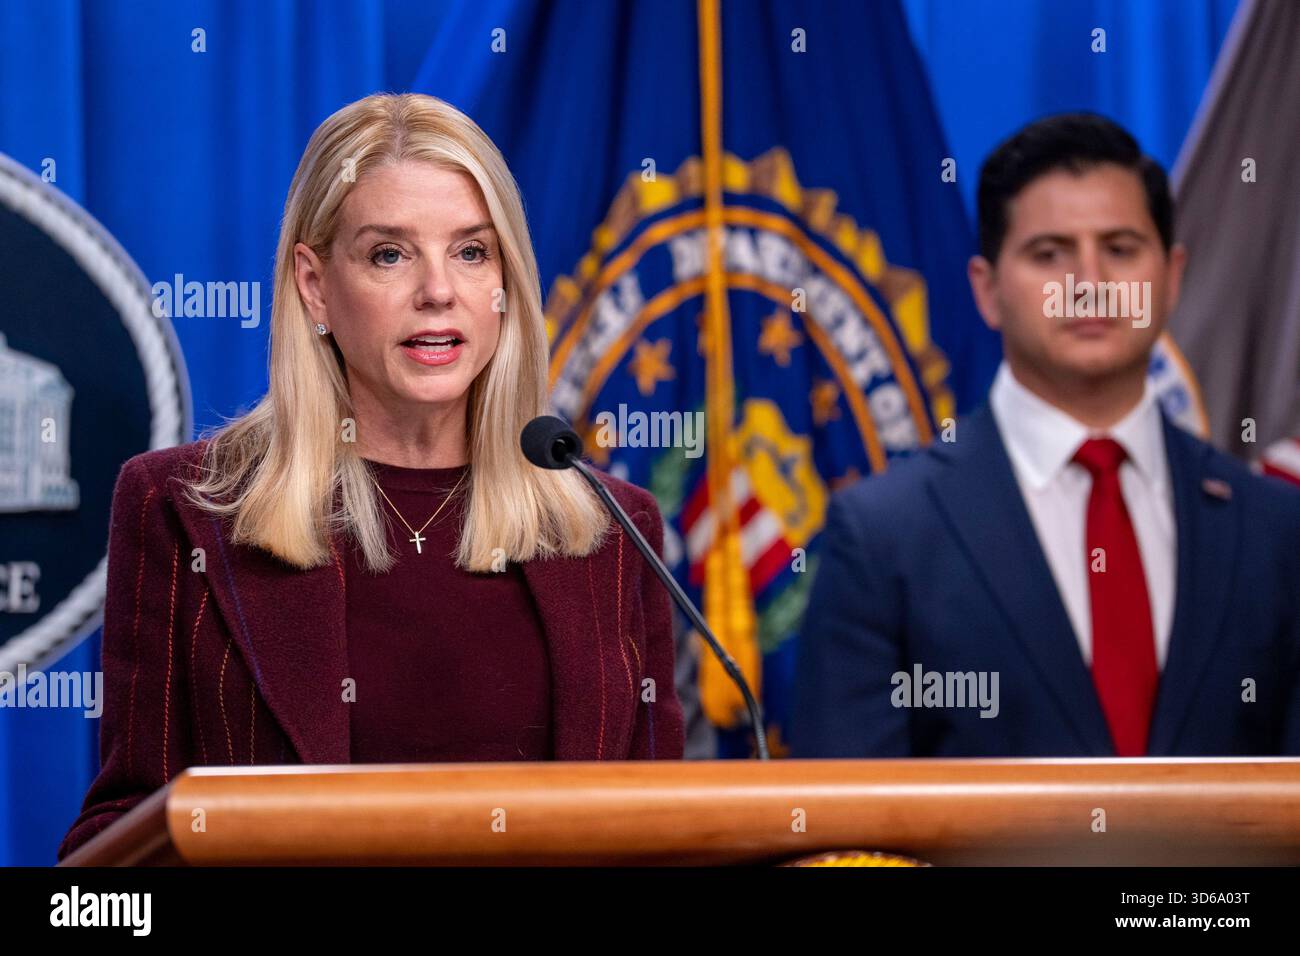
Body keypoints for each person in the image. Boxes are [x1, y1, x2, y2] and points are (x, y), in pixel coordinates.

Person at [58, 93, 684, 860]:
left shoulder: (613, 531)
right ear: (315, 285)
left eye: (471, 251)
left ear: (505, 284)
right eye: (389, 253)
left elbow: (668, 832)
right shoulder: (182, 509)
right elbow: (117, 843)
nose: (438, 291)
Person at [791, 113, 1300, 759]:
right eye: (1050, 254)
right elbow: (845, 831)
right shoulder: (883, 536)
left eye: (1119, 249)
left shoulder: (1277, 529)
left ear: (1170, 278)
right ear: (988, 290)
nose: (1089, 286)